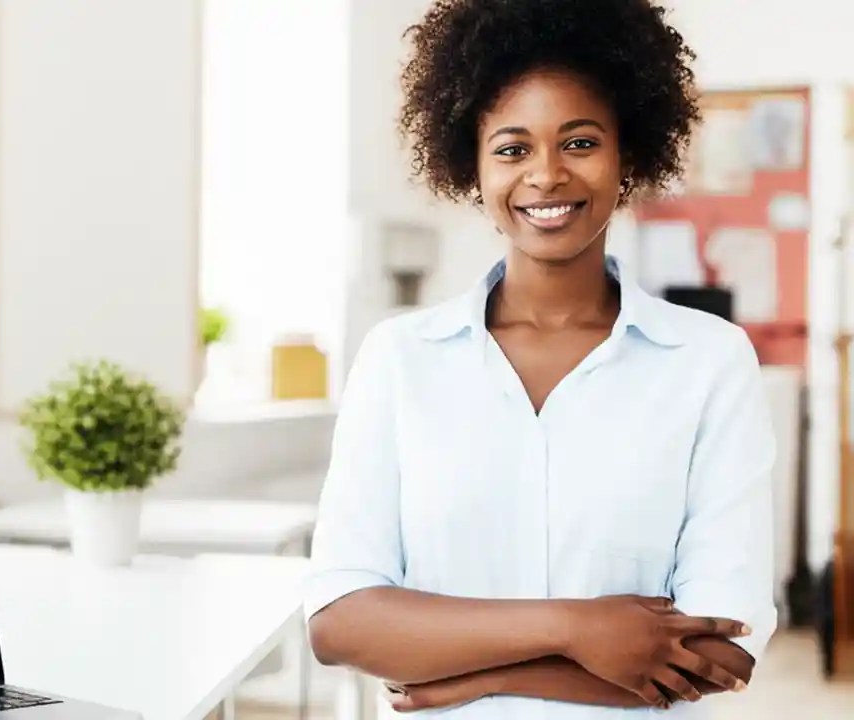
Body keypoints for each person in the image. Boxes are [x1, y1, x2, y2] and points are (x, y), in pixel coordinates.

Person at [304, 0, 776, 717]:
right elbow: (341, 621)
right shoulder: (400, 359)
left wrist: (478, 678)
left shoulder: (708, 362)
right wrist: (577, 628)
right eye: (513, 148)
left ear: (629, 153)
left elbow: (722, 651)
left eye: (580, 142)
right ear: (473, 166)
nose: (546, 175)